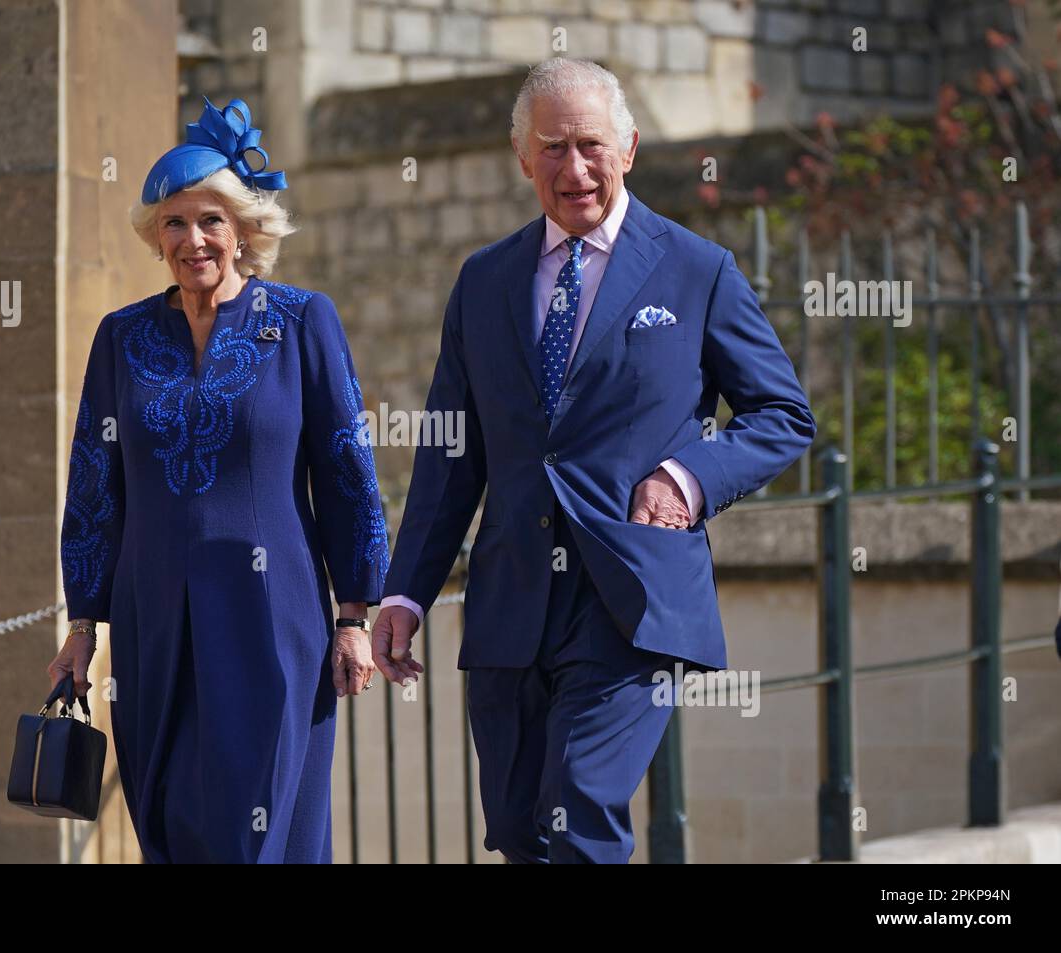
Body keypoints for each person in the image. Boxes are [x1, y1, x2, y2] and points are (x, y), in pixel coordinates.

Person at [373, 59, 816, 863]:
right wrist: (406, 588)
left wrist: (686, 478)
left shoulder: (697, 270)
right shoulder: (482, 281)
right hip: (510, 598)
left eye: (589, 145)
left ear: (630, 149)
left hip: (630, 595)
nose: (572, 168)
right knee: (516, 829)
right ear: (521, 158)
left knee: (577, 811)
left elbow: (782, 414)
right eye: (551, 148)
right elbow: (451, 456)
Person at [50, 96, 389, 863]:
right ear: (156, 237)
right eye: (175, 222)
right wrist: (83, 624)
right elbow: (95, 485)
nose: (193, 238)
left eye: (210, 220)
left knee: (258, 815)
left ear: (242, 231)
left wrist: (354, 615)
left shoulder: (302, 321)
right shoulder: (122, 336)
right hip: (152, 617)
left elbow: (346, 471)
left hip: (272, 609)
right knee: (169, 811)